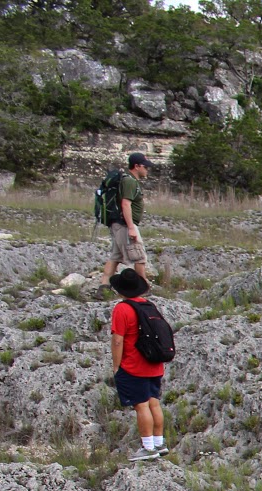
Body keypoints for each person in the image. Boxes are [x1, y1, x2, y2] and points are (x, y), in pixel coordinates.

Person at [108, 268, 167, 462]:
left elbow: (118, 340)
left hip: (134, 365)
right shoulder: (149, 306)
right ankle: (159, 443)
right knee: (153, 402)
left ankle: (148, 447)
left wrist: (117, 366)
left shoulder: (122, 309)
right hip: (154, 364)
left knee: (141, 406)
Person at [101, 152, 151, 289]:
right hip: (125, 224)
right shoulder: (129, 181)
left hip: (118, 224)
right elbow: (125, 204)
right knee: (140, 257)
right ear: (137, 166)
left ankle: (103, 287)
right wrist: (131, 227)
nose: (147, 170)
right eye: (145, 167)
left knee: (115, 257)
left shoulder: (125, 180)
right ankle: (143, 288)